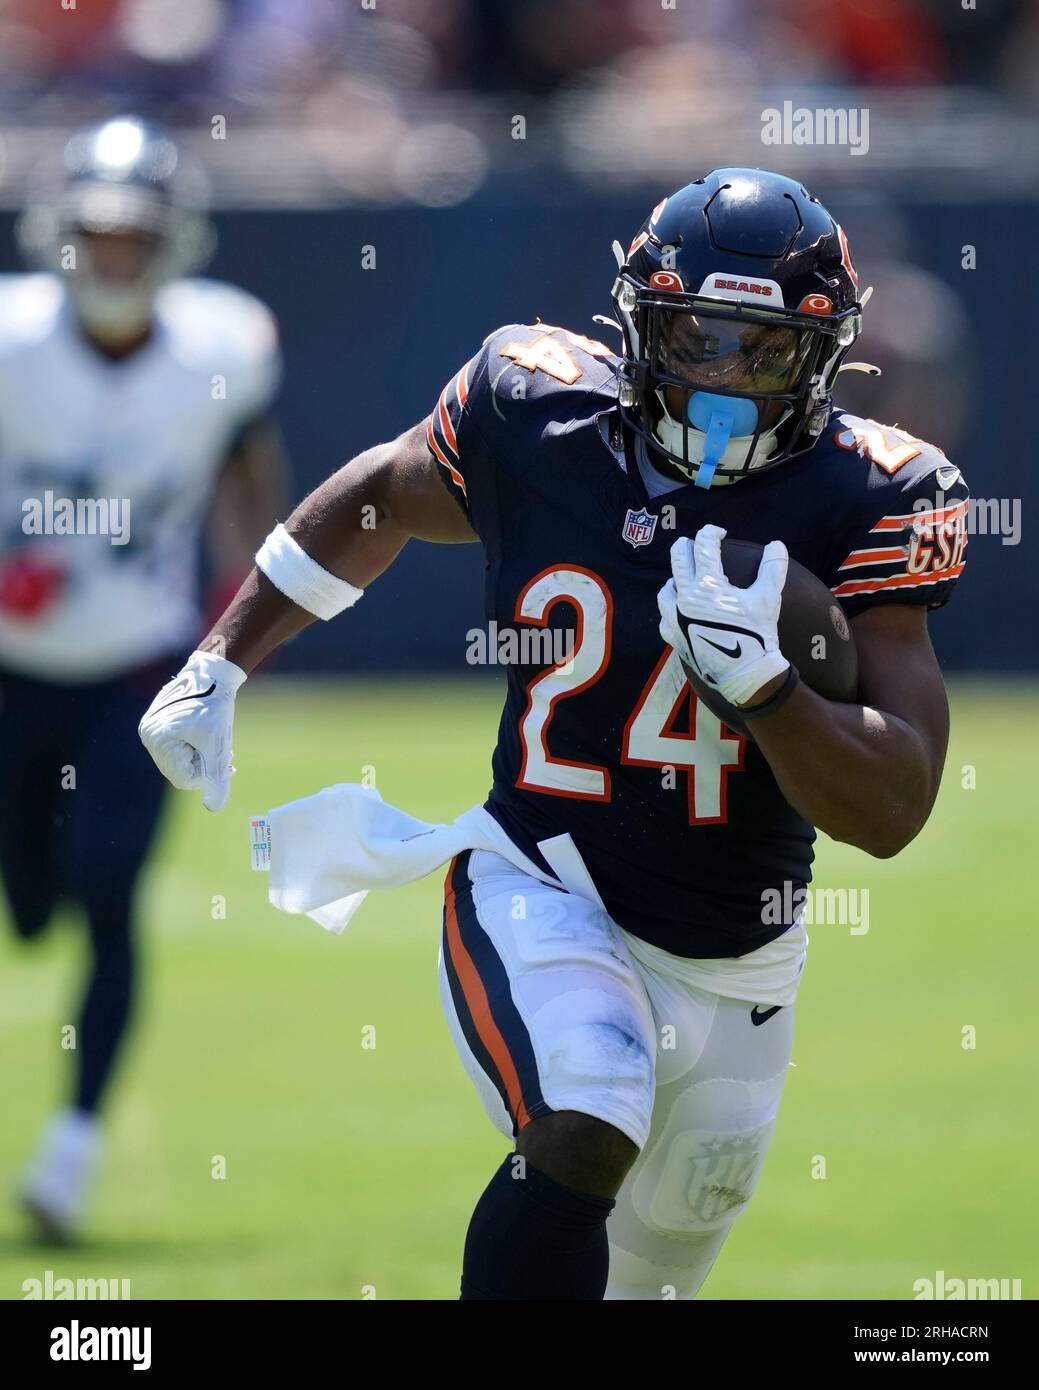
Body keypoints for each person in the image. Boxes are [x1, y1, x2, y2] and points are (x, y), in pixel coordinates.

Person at [139, 168, 968, 1299]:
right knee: (587, 1115)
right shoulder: (538, 412)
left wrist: (772, 696)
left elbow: (895, 809)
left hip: (741, 957)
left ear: (821, 358)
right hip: (539, 876)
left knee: (652, 1276)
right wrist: (219, 659)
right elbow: (381, 492)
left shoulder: (874, 495)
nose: (719, 379)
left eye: (761, 350)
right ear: (637, 324)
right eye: (693, 339)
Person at [1, 115, 287, 1240]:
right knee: (34, 907)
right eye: (98, 237)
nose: (116, 257)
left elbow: (251, 482)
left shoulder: (224, 346)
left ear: (172, 242)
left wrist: (242, 631)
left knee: (111, 886)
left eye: (135, 238)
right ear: (62, 238)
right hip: (9, 668)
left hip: (136, 659)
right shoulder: (13, 342)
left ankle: (70, 1149)